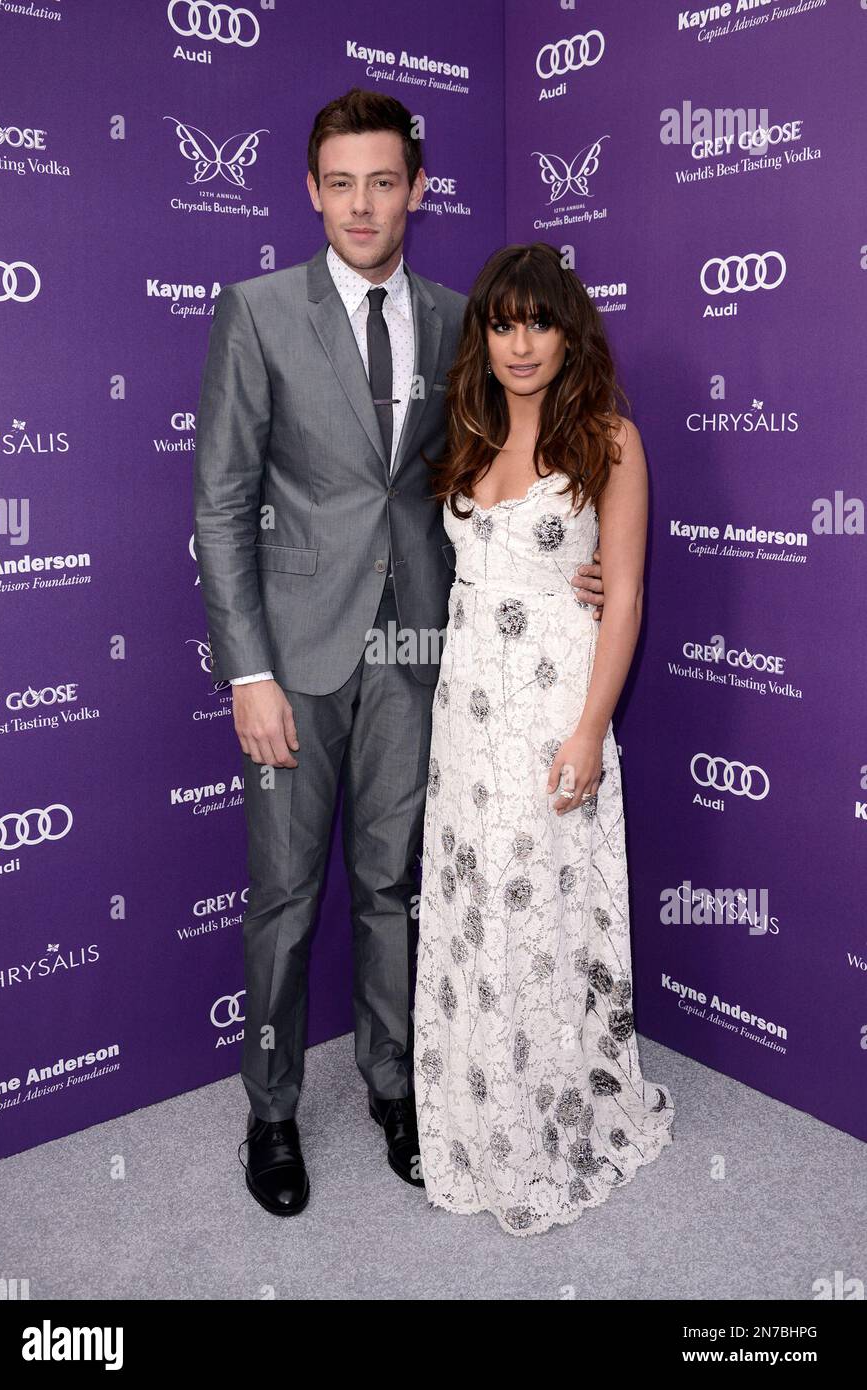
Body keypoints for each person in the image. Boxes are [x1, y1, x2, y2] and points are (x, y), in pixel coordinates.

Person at [193, 90, 605, 1217]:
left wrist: (583, 557)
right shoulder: (257, 311)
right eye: (341, 183)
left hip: (425, 651)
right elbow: (222, 505)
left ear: (417, 189)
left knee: (390, 885)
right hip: (293, 660)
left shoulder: (460, 319)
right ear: (311, 191)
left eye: (383, 182)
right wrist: (247, 673)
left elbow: (508, 466)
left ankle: (394, 1085)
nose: (362, 205)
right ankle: (272, 1110)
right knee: (284, 895)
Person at [413, 242, 675, 1236]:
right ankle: (478, 1109)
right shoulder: (470, 434)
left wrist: (590, 731)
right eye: (502, 323)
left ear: (570, 334)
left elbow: (624, 599)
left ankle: (552, 1117)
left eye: (539, 322)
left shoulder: (610, 440)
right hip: (465, 712)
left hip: (552, 712)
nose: (520, 344)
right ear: (481, 335)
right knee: (476, 905)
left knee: (543, 911)